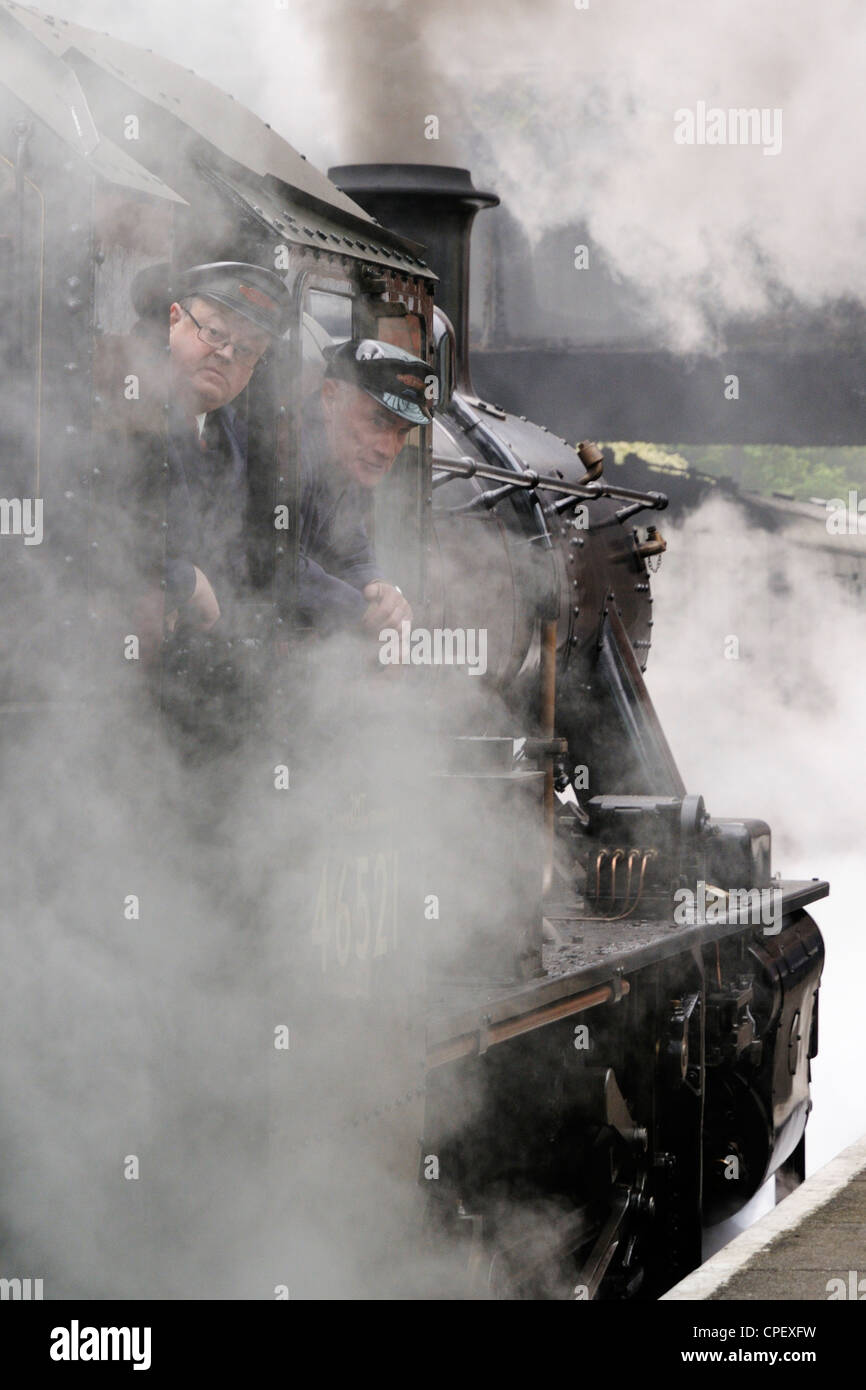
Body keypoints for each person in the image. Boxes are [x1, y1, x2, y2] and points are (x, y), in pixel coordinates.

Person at [160, 261, 291, 633]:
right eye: (215, 332)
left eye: (247, 351)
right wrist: (180, 580)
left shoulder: (235, 436)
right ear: (174, 319)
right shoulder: (121, 408)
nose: (228, 354)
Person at [297, 338, 434, 638]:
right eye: (377, 422)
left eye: (402, 432)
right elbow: (275, 562)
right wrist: (359, 611)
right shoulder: (289, 452)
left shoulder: (346, 464)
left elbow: (353, 553)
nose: (388, 449)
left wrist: (380, 590)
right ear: (331, 397)